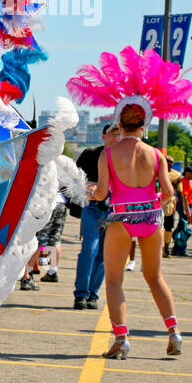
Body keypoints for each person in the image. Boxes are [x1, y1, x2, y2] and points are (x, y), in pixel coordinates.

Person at [68, 46, 192, 359]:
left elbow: (101, 194)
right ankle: (174, 333)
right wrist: (157, 203)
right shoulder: (156, 155)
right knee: (155, 278)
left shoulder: (108, 154)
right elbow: (168, 192)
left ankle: (122, 340)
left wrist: (92, 189)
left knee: (113, 280)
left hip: (121, 221)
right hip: (151, 220)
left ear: (119, 122)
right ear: (144, 123)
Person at [73, 122, 121, 310]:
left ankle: (93, 293)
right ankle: (81, 294)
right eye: (112, 134)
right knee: (89, 249)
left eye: (119, 134)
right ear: (104, 136)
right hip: (92, 207)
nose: (115, 137)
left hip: (113, 210)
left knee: (105, 254)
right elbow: (75, 177)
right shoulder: (91, 153)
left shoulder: (124, 157)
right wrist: (88, 185)